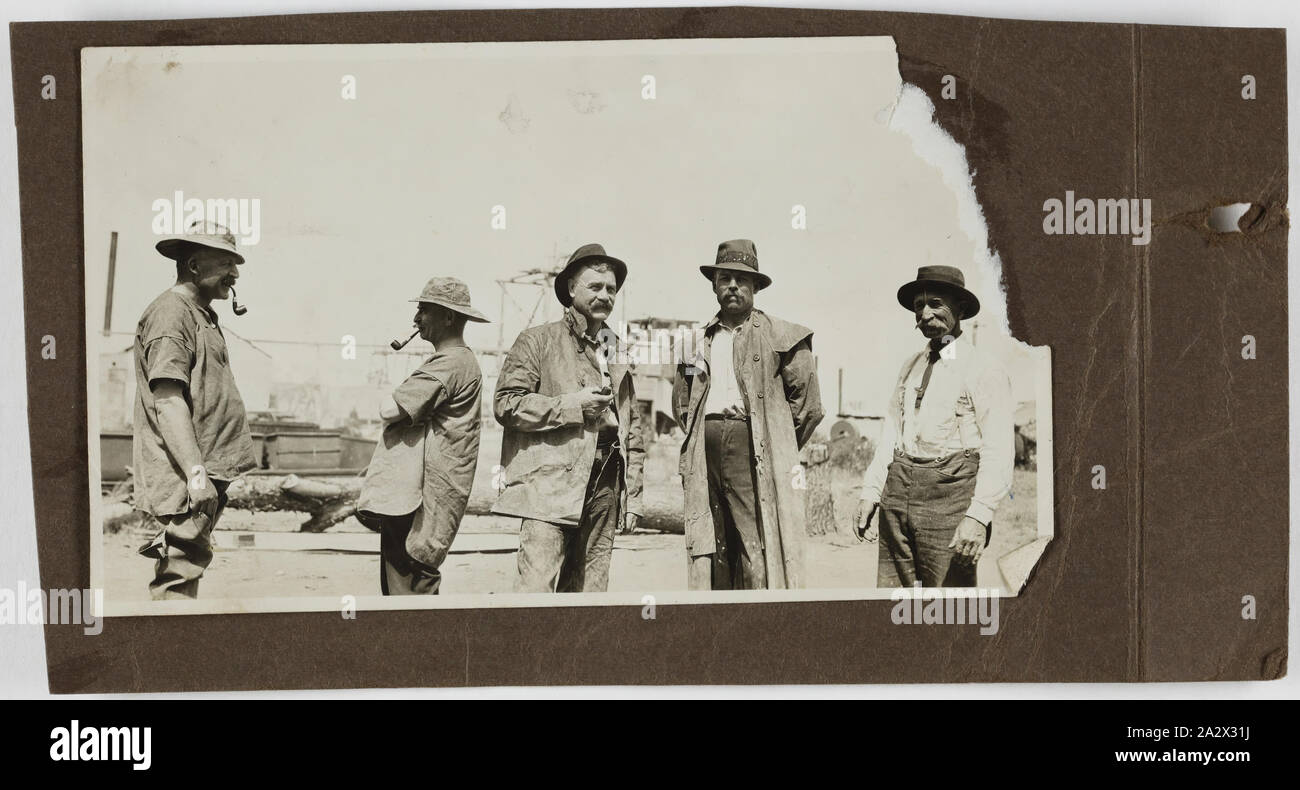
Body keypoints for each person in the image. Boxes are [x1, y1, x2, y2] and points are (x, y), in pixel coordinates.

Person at [493, 243, 645, 593]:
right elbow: (506, 404)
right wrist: (572, 406)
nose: (604, 295)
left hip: (606, 484)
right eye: (595, 287)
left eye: (610, 289)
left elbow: (633, 426)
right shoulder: (537, 341)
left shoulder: (618, 349)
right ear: (571, 289)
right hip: (549, 488)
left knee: (590, 597)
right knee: (535, 594)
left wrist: (633, 496)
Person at [673, 239, 823, 590]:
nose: (733, 287)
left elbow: (809, 408)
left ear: (755, 286)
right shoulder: (696, 341)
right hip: (704, 449)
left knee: (753, 541)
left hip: (750, 447)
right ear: (714, 285)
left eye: (742, 280)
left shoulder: (781, 335)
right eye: (725, 278)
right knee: (712, 541)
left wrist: (776, 445)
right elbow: (682, 404)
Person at [855, 265, 1014, 587]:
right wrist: (871, 492)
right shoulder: (910, 366)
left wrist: (978, 516)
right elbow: (891, 433)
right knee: (892, 602)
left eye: (936, 304)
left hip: (949, 500)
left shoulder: (983, 369)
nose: (925, 314)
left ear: (961, 308)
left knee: (950, 609)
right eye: (918, 306)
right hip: (896, 495)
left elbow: (999, 448)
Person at [134, 222, 257, 599]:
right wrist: (196, 474)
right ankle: (171, 653)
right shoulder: (172, 313)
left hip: (204, 470)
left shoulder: (199, 313)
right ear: (193, 266)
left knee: (188, 562)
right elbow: (168, 401)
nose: (235, 274)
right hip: (189, 474)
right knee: (180, 569)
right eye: (226, 263)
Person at [357, 277, 489, 594]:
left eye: (424, 310)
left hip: (419, 497)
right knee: (416, 581)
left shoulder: (451, 362)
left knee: (408, 584)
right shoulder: (460, 361)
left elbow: (389, 409)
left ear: (448, 317)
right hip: (428, 492)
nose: (416, 320)